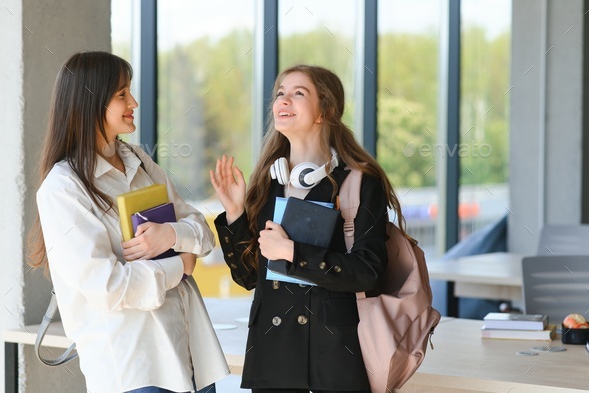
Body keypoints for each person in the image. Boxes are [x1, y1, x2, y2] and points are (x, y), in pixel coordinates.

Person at [27, 51, 228, 393]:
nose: (133, 101)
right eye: (121, 94)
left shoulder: (139, 161)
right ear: (89, 102)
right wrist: (181, 263)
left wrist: (170, 234)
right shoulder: (63, 188)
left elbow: (202, 234)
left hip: (190, 358)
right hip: (135, 368)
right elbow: (110, 287)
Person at [210, 64, 406, 393]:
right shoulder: (267, 183)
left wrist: (293, 253)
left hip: (334, 360)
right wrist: (235, 213)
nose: (283, 101)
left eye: (298, 93)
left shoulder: (358, 180)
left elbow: (368, 270)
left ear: (324, 111)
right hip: (273, 361)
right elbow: (247, 277)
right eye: (279, 94)